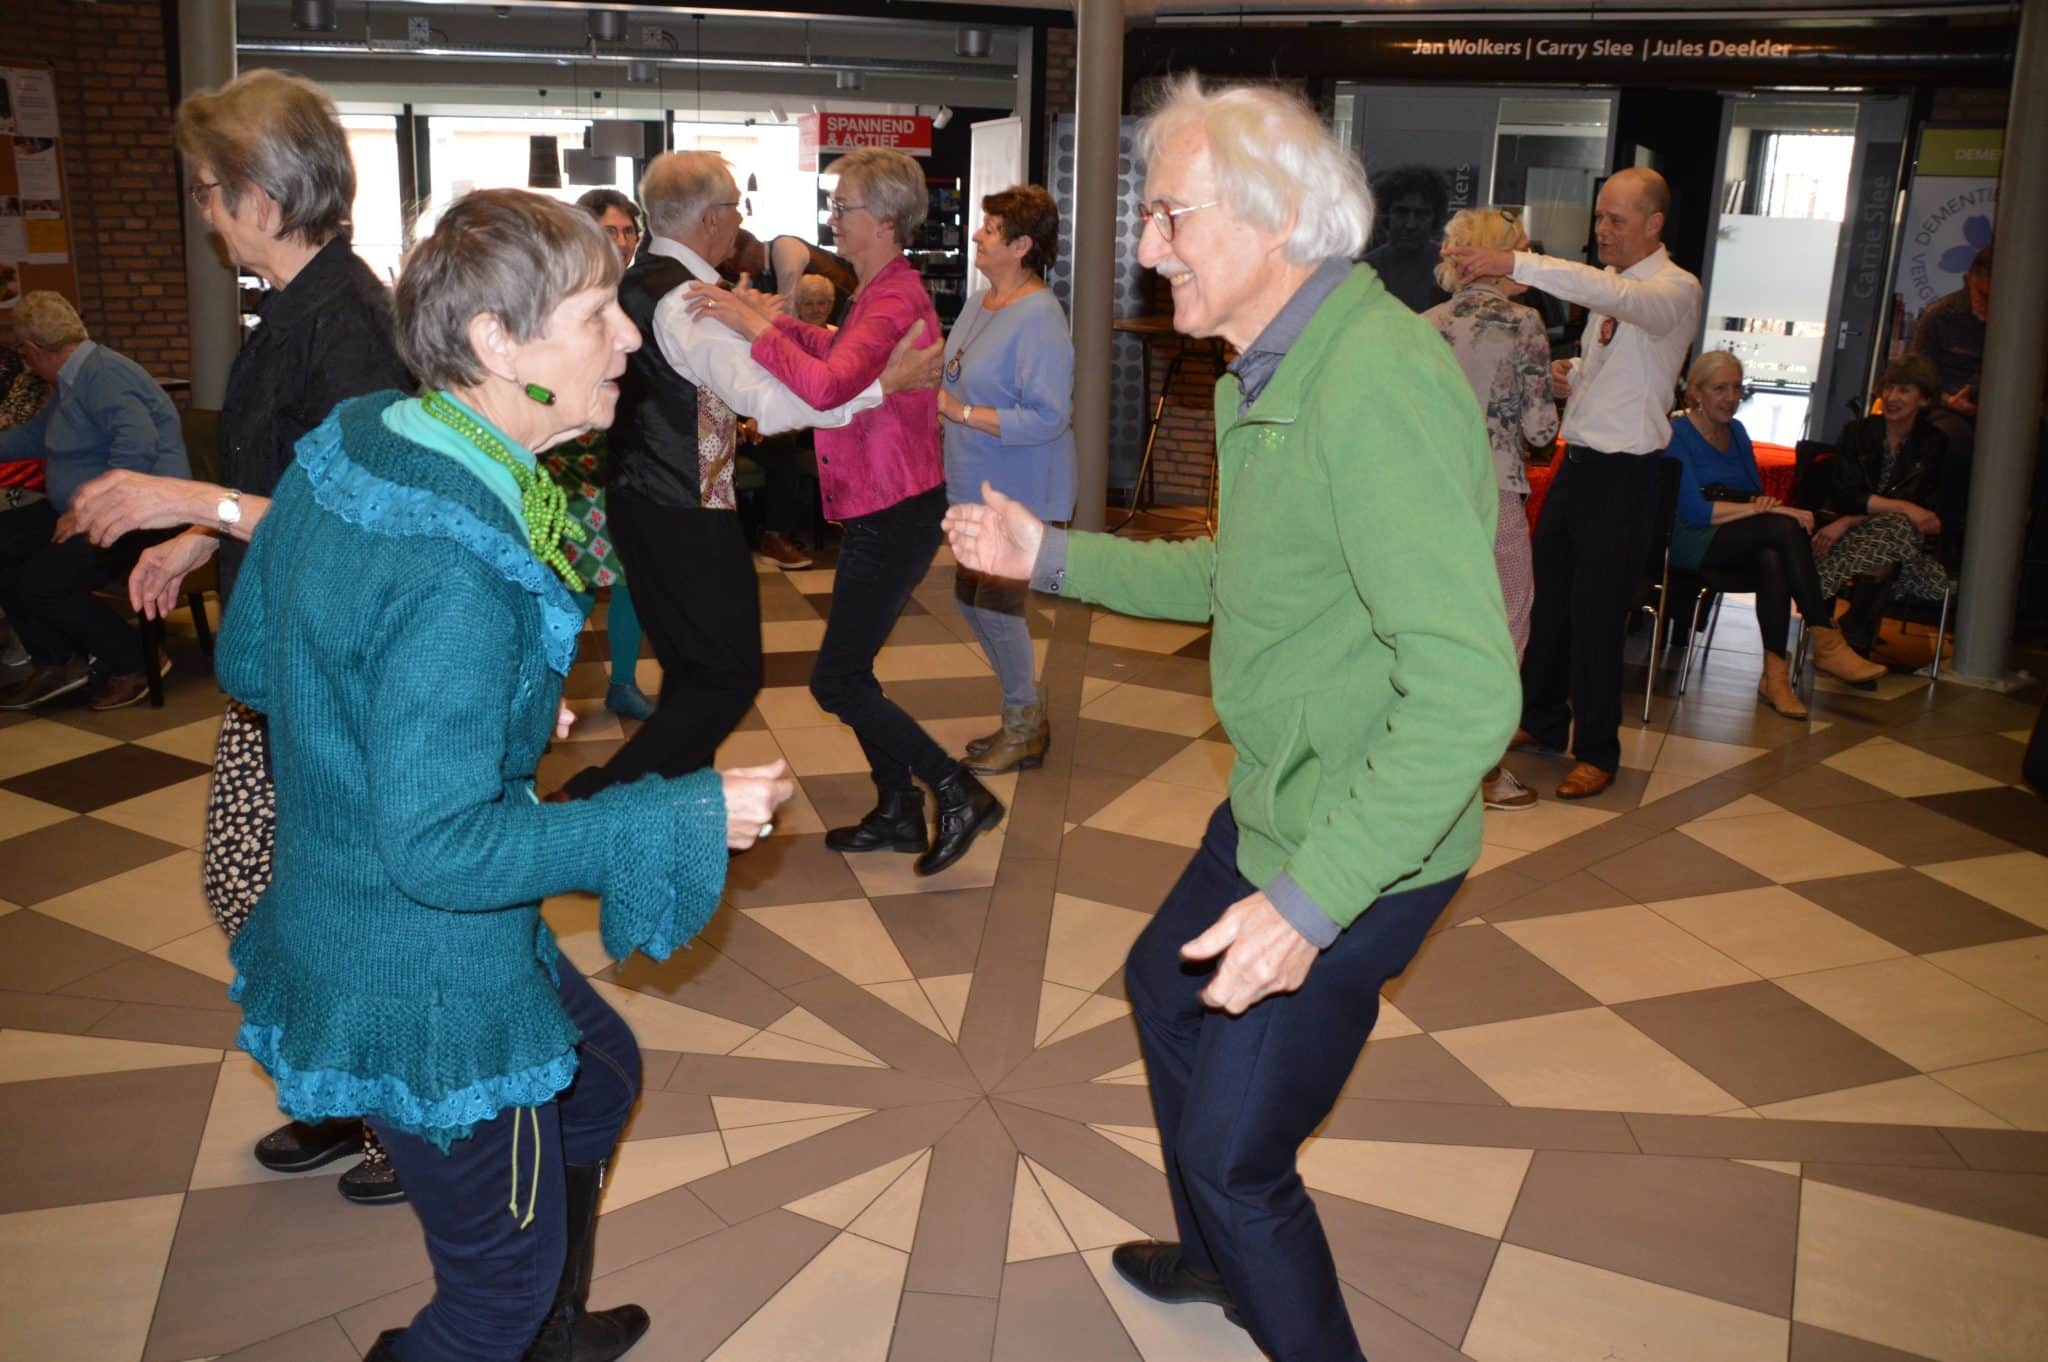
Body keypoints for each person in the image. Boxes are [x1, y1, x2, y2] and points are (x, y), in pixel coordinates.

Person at [945, 78, 1516, 1362]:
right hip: (1278, 796)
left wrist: (1313, 907)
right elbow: (1232, 578)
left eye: (1167, 216)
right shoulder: (1259, 373)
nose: (1146, 249)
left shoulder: (1369, 383)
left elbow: (1471, 691)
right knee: (1163, 983)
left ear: (1267, 220)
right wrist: (1048, 556)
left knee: (1236, 1155)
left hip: (1363, 842)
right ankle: (1210, 1258)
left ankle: (1247, 1256)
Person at [216, 187, 795, 1362]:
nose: (631, 335)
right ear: (496, 344)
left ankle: (550, 1335)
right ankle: (526, 1329)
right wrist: (673, 814)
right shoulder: (460, 570)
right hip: (426, 969)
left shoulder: (368, 439)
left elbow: (252, 657)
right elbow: (439, 848)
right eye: (595, 316)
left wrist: (456, 718)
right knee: (490, 1292)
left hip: (345, 913)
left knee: (600, 1072)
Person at [58, 69, 419, 1203]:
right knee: (260, 887)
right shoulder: (299, 311)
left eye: (211, 192)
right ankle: (340, 1092)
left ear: (264, 194)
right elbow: (284, 483)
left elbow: (366, 528)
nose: (204, 216)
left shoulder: (350, 328)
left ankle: (399, 1116)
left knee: (315, 898)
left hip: (341, 667)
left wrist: (193, 506)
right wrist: (206, 540)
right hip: (290, 654)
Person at [557, 150, 930, 802]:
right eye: (735, 205)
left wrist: (758, 321)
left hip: (643, 502)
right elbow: (777, 402)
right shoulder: (688, 301)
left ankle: (658, 814)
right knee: (724, 679)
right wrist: (883, 387)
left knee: (690, 671)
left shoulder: (647, 277)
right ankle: (591, 805)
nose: (741, 219)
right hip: (684, 512)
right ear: (709, 217)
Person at [690, 147, 1005, 878]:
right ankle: (896, 809)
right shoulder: (878, 288)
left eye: (845, 206)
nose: (834, 217)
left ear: (886, 219)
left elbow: (830, 388)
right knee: (852, 671)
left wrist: (748, 322)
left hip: (897, 509)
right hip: (885, 506)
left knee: (837, 680)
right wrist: (763, 322)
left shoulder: (893, 295)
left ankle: (956, 790)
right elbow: (844, 354)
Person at [1446, 166, 1703, 800]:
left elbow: (1612, 300)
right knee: (1546, 601)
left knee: (1595, 614)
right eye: (1599, 218)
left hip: (1627, 477)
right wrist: (1574, 374)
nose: (1604, 230)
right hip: (1578, 466)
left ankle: (1597, 751)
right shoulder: (1616, 289)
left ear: (1654, 224)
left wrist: (1517, 261)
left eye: (1616, 219)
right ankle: (1539, 722)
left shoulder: (1673, 288)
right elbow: (1618, 362)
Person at [938, 183, 1075, 775]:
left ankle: (1024, 726)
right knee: (971, 600)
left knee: (994, 606)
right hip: (973, 478)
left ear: (1022, 245)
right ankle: (1026, 713)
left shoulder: (1040, 315)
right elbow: (955, 371)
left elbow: (1049, 416)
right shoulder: (979, 300)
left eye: (990, 229)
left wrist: (960, 413)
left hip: (1015, 488)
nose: (976, 235)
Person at [1424, 206, 1556, 810]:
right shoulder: (1524, 321)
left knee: (1433, 623)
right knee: (1506, 624)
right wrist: (1561, 391)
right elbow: (1538, 428)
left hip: (1431, 494)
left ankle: (1424, 757)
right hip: (1495, 493)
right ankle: (1484, 767)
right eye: (1522, 248)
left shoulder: (1425, 324)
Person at [1666, 352, 1886, 716]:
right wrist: (1769, 509)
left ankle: (1775, 677)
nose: (1731, 397)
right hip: (1690, 539)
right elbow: (1696, 511)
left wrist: (1761, 505)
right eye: (1720, 388)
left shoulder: (1736, 432)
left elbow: (1754, 490)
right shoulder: (1677, 434)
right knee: (1784, 527)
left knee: (1773, 559)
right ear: (1696, 393)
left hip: (1734, 536)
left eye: (1736, 388)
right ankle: (1824, 637)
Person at [0, 292, 189, 712]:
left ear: (32, 350)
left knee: (42, 581)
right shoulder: (72, 379)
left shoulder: (105, 376)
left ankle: (136, 661)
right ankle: (59, 660)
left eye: (21, 352)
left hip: (142, 515)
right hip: (84, 507)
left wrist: (92, 509)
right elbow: (36, 438)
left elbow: (137, 448)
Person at [536, 187, 655, 721]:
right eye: (612, 230)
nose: (625, 241)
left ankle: (624, 682)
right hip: (570, 461)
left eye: (631, 230)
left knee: (633, 578)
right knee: (575, 581)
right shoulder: (560, 296)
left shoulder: (636, 293)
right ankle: (544, 686)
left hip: (627, 460)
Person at [1813, 354, 1956, 656]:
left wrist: (1848, 522)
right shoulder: (1858, 433)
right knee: (1897, 531)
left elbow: (1925, 511)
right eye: (1888, 388)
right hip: (1886, 542)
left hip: (1866, 535)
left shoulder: (1934, 443)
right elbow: (1845, 495)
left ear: (1924, 399)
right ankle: (1855, 632)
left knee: (1898, 527)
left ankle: (1847, 621)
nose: (1891, 397)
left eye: (1904, 390)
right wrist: (1904, 508)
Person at [1365, 164, 1451, 314]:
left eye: (1421, 214)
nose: (1410, 224)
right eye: (1401, 212)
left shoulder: (1449, 269)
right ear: (1386, 214)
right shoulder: (1365, 270)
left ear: (1435, 218)